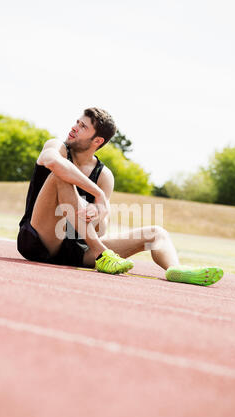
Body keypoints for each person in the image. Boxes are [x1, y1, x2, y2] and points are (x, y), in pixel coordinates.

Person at [17, 107, 224, 286]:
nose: (74, 127)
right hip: (39, 241)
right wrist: (96, 194)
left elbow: (102, 226)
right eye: (76, 122)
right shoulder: (57, 147)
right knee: (61, 174)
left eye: (82, 127)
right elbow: (51, 161)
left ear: (97, 140)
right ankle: (103, 255)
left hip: (76, 250)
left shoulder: (104, 175)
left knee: (156, 233)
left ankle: (176, 270)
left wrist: (96, 214)